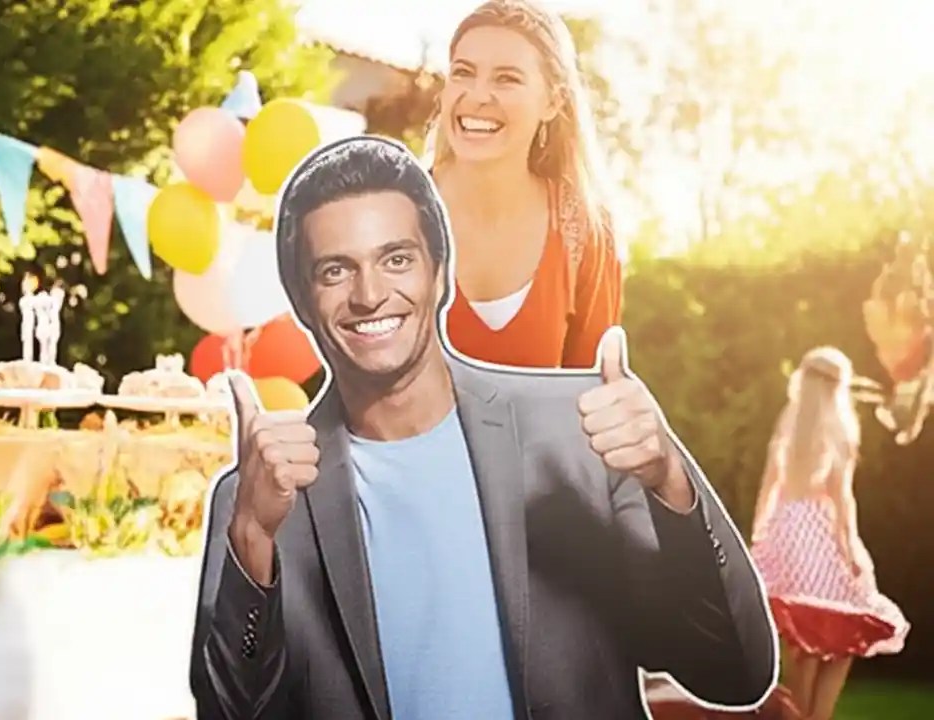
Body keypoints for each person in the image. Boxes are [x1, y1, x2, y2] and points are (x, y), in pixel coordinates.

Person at [190, 136, 777, 719]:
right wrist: (250, 540)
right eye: (336, 270)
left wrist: (669, 481)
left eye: (397, 259)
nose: (370, 295)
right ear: (301, 298)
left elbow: (734, 672)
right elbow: (230, 714)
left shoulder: (582, 432)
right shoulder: (258, 502)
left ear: (441, 275)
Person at [428, 0, 621, 369]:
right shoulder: (391, 211)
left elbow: (592, 395)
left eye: (507, 78)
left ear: (553, 102)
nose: (478, 95)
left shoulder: (586, 231)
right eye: (463, 73)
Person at [750, 347, 910, 720]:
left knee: (801, 641)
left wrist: (759, 536)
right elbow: (842, 501)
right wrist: (852, 550)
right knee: (845, 631)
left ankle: (799, 713)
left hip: (785, 531)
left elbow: (768, 487)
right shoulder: (837, 433)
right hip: (820, 535)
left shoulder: (788, 429)